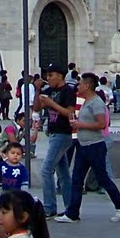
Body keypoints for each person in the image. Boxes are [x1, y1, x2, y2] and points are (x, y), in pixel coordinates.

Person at [55, 73, 120, 224]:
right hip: (84, 145)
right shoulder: (86, 101)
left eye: (81, 83)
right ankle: (72, 213)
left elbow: (101, 124)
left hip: (94, 145)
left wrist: (81, 125)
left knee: (102, 177)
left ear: (88, 85)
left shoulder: (96, 102)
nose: (78, 86)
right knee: (77, 178)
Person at [32, 65, 75, 220]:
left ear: (60, 76)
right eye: (47, 76)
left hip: (63, 134)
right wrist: (37, 91)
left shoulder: (68, 91)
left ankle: (49, 207)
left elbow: (70, 113)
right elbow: (36, 108)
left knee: (46, 169)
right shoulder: (49, 91)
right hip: (53, 134)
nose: (48, 78)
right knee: (63, 173)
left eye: (51, 75)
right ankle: (71, 208)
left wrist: (52, 103)